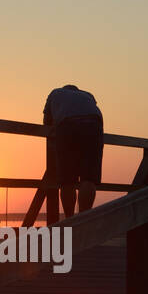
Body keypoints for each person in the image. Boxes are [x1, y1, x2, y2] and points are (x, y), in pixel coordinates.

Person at [42, 84, 104, 221]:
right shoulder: (88, 94)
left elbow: (46, 122)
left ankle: (70, 220)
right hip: (94, 125)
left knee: (67, 180)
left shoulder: (55, 92)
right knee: (89, 178)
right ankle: (84, 219)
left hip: (67, 125)